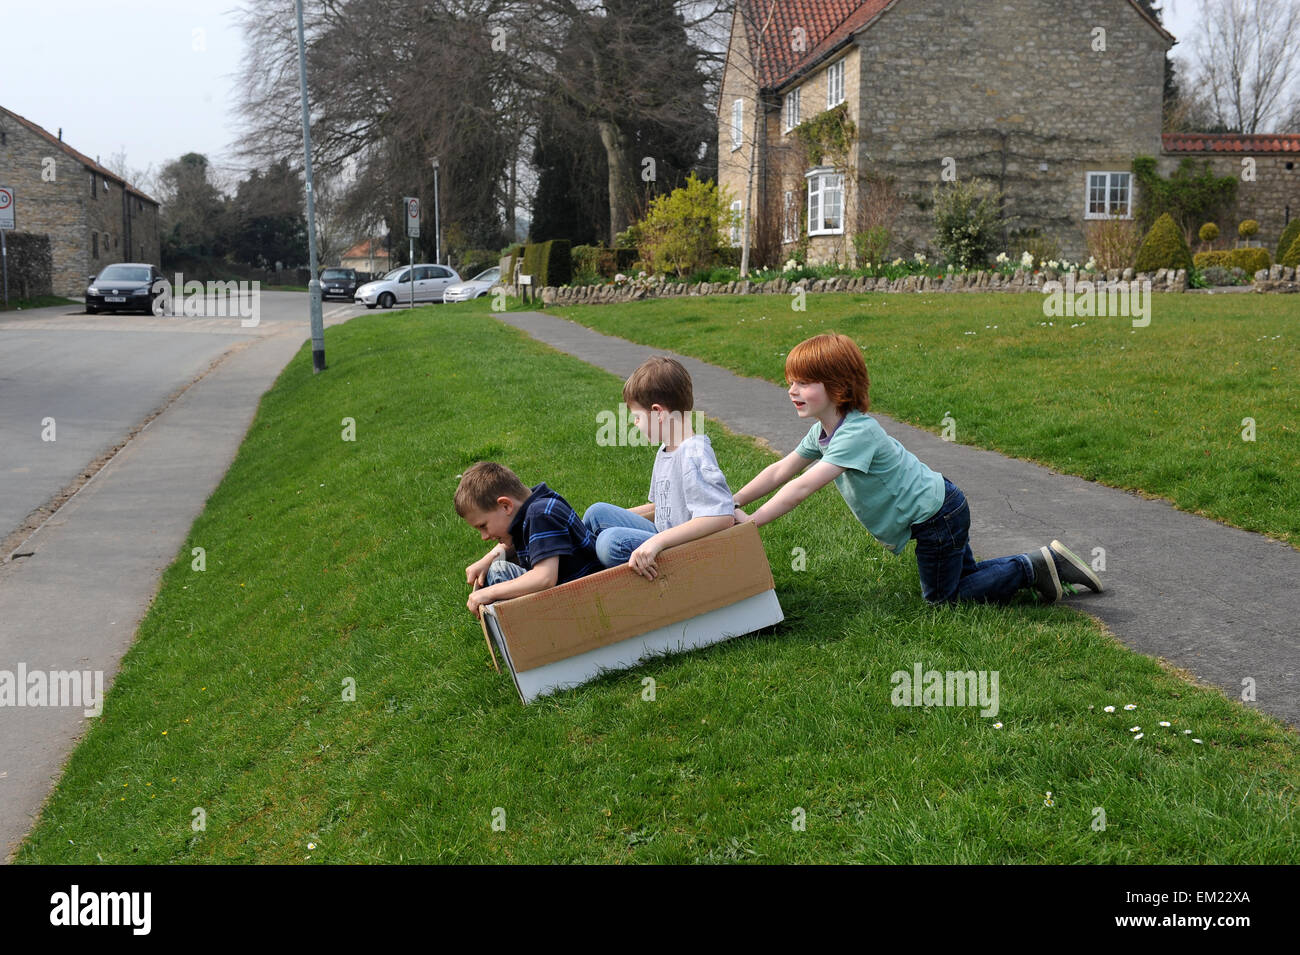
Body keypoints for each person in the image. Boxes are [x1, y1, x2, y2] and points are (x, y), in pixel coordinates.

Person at [732, 333, 1103, 605]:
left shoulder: (857, 433)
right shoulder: (824, 431)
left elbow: (800, 488)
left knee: (944, 599)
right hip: (942, 505)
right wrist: (731, 500)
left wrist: (751, 524)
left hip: (937, 518)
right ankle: (1048, 569)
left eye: (804, 383)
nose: (792, 391)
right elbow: (781, 471)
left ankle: (1033, 567)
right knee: (967, 577)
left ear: (839, 387)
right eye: (790, 382)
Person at [583, 356, 736, 581]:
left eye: (637, 417)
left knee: (610, 542)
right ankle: (574, 565)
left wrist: (656, 542)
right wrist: (619, 515)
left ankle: (589, 574)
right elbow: (663, 506)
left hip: (684, 549)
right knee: (597, 513)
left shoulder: (693, 452)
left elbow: (721, 517)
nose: (634, 423)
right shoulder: (667, 449)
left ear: (657, 413)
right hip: (665, 535)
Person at [456, 461, 603, 616]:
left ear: (505, 506)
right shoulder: (534, 505)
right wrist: (489, 558)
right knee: (495, 568)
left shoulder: (540, 515)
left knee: (497, 574)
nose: (484, 536)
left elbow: (544, 578)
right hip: (575, 594)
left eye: (483, 526)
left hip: (586, 601)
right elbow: (517, 541)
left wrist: (490, 592)